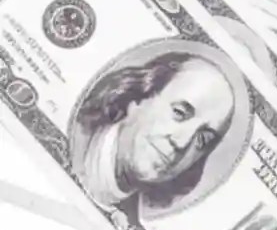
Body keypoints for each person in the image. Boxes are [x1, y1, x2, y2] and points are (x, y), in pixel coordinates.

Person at [73, 50, 236, 218]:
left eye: (203, 139)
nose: (182, 143)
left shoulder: (132, 224)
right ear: (137, 98)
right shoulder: (75, 137)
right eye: (179, 113)